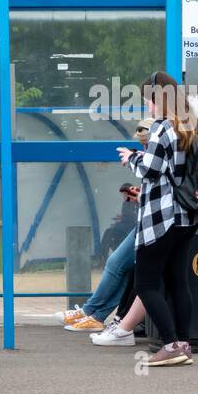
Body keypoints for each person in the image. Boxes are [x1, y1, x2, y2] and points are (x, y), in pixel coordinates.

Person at [96, 71, 198, 367]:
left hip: (161, 219)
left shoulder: (162, 128)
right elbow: (171, 173)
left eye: (148, 102)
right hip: (185, 216)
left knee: (146, 284)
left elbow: (151, 169)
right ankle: (184, 343)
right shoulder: (189, 126)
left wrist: (131, 158)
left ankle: (169, 345)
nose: (148, 108)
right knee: (178, 281)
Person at [59, 119, 152, 333]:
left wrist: (133, 161)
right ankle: (99, 315)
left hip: (154, 223)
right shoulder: (161, 153)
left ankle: (96, 314)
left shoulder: (159, 156)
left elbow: (161, 187)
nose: (144, 147)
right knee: (124, 268)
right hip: (149, 221)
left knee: (118, 264)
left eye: (146, 143)